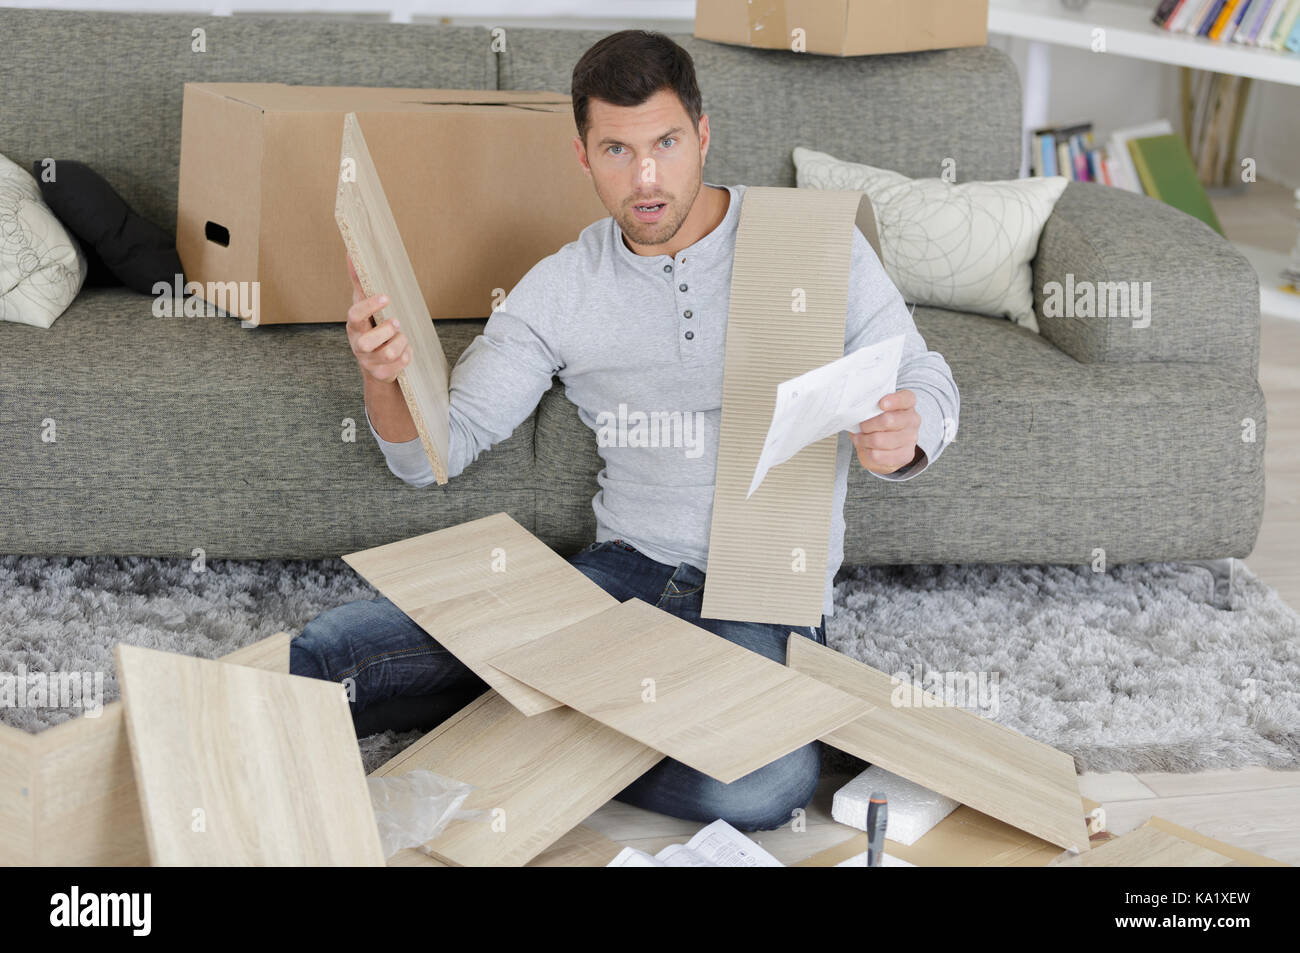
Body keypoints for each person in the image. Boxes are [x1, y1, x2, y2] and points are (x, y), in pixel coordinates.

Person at [291, 29, 959, 832]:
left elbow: (922, 373)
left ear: (703, 135)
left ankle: (526, 704)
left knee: (762, 783)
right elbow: (434, 449)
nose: (645, 179)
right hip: (617, 584)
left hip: (759, 599)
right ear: (583, 155)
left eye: (666, 144)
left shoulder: (813, 244)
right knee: (329, 655)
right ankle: (560, 699)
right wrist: (380, 371)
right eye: (616, 150)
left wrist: (910, 431)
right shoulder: (563, 286)